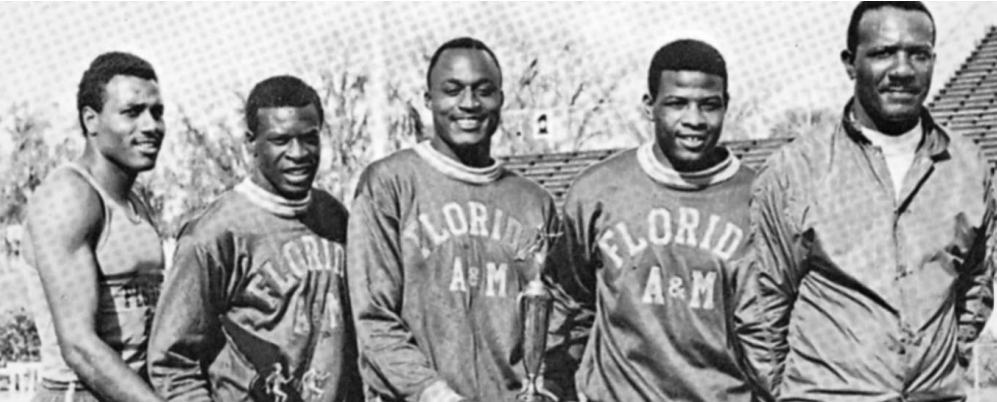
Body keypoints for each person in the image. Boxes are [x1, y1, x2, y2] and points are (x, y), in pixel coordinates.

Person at [736, 2, 996, 400]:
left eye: (918, 54)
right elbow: (762, 305)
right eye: (883, 53)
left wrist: (941, 372)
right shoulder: (796, 170)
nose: (903, 70)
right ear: (850, 63)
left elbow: (975, 289)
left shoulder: (968, 168)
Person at [543, 39, 758, 401]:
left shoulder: (759, 198)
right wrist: (552, 385)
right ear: (649, 106)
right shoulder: (599, 190)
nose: (694, 120)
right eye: (676, 103)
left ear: (726, 105)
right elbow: (570, 302)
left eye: (709, 105)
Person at [347, 37, 561, 402]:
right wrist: (434, 393)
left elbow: (556, 324)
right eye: (453, 90)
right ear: (429, 101)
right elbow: (374, 319)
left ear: (502, 99)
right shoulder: (389, 184)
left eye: (483, 91)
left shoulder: (534, 202)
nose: (469, 103)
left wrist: (548, 388)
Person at [147, 75, 361, 402]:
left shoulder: (333, 216)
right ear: (251, 142)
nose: (298, 153)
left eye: (309, 138)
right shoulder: (215, 233)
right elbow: (172, 362)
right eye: (281, 140)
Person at [24, 51, 167, 402]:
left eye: (157, 112)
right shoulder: (70, 196)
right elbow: (79, 347)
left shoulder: (136, 203)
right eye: (132, 113)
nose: (151, 126)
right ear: (91, 121)